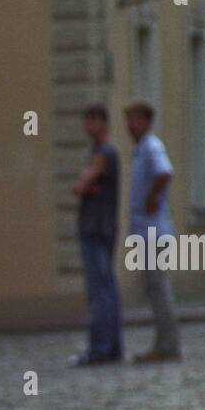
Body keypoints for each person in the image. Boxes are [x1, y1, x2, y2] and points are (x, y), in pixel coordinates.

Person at [124, 99, 181, 363]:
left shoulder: (151, 147)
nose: (130, 125)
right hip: (146, 231)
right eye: (128, 120)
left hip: (154, 232)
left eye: (134, 119)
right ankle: (163, 342)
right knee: (155, 289)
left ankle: (168, 344)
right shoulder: (141, 149)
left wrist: (152, 196)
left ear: (146, 121)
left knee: (159, 289)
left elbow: (165, 173)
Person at [69, 104, 123, 365]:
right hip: (101, 227)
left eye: (93, 121)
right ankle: (111, 347)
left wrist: (83, 182)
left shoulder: (103, 153)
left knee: (100, 291)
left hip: (96, 229)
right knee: (106, 289)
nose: (88, 126)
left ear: (104, 122)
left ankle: (101, 348)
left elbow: (80, 185)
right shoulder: (101, 152)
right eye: (86, 120)